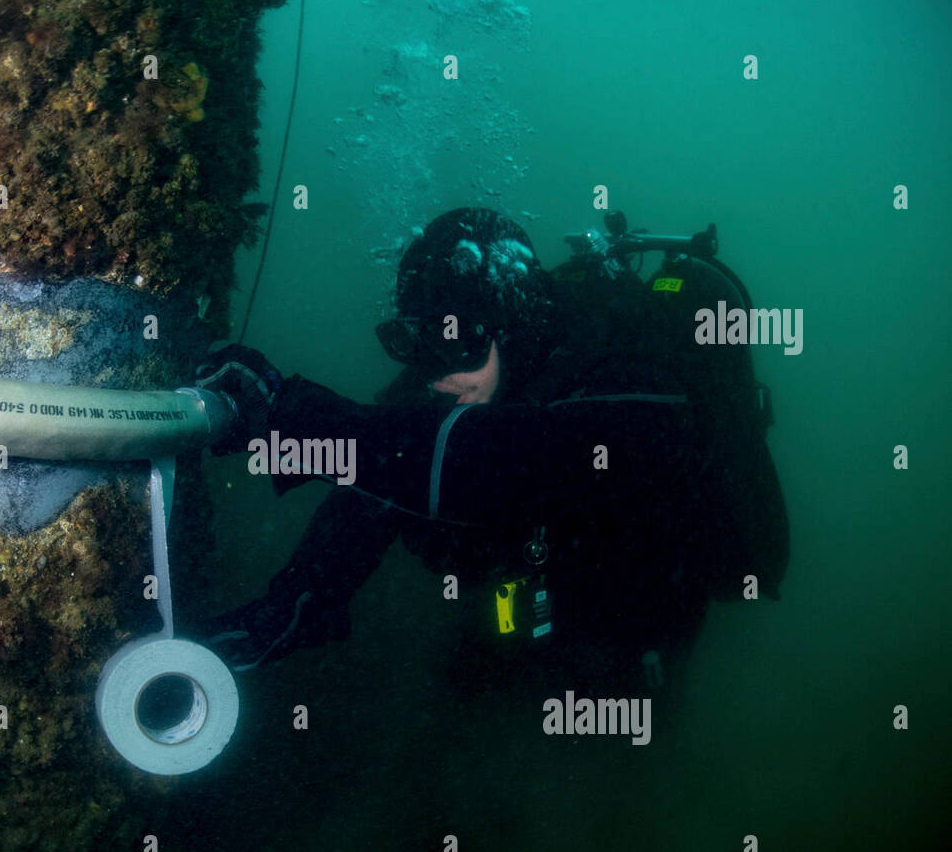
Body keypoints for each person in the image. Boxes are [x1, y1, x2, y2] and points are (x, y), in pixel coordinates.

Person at [187, 207, 788, 701]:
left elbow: (493, 464)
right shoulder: (455, 372)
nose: (441, 374)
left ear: (514, 326)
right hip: (528, 602)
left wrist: (286, 414)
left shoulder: (633, 384)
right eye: (421, 343)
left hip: (633, 626)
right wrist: (299, 600)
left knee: (607, 781)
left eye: (462, 341)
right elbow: (375, 486)